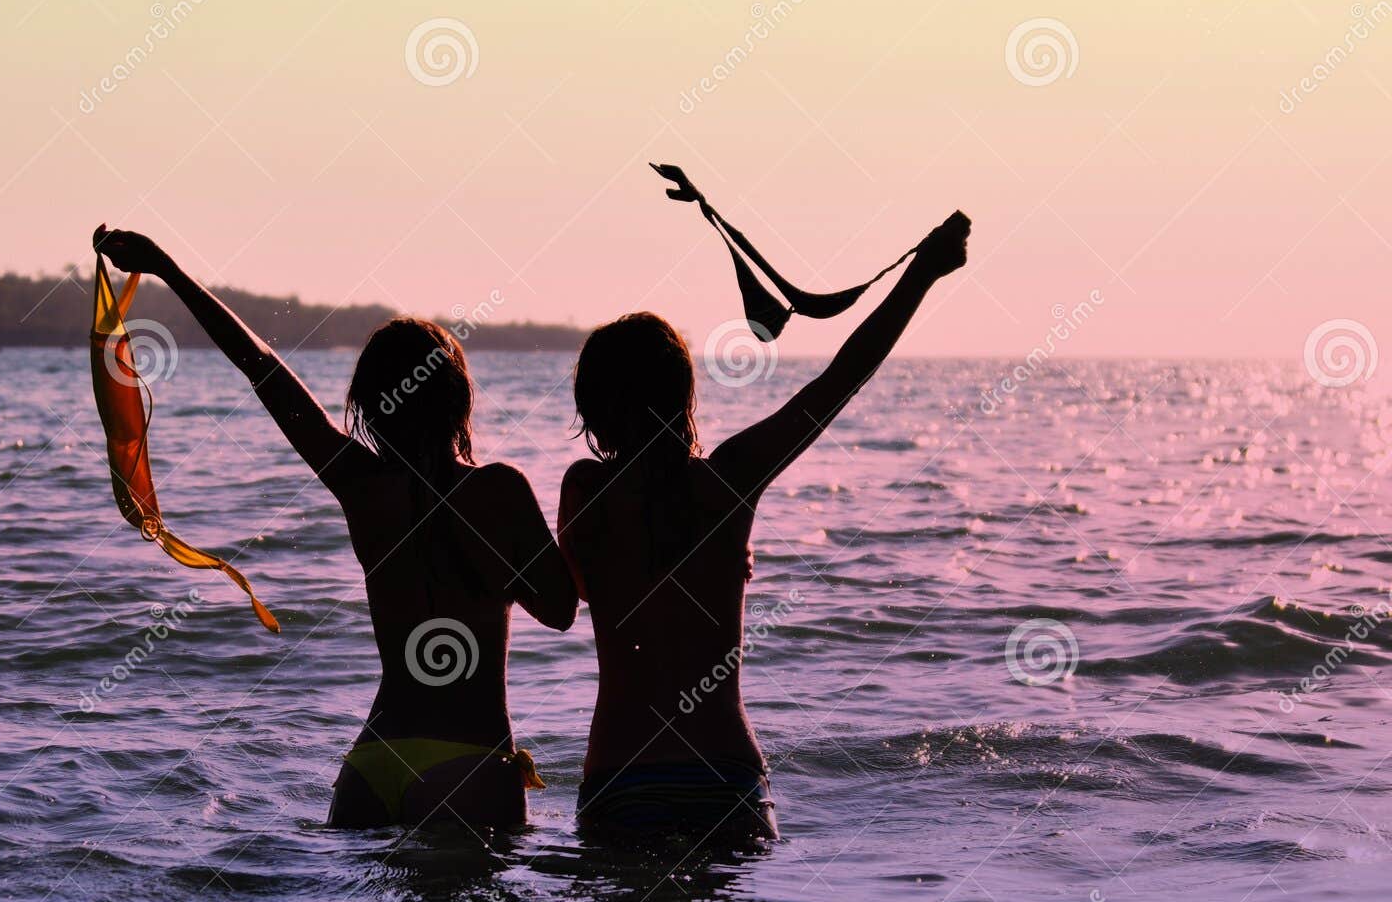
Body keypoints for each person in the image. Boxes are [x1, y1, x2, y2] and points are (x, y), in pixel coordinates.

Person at [93, 226, 577, 830]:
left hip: (372, 766)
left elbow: (260, 368)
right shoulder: (499, 489)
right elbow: (559, 611)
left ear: (370, 407)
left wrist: (165, 267)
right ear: (459, 401)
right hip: (468, 763)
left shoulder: (361, 484)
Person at [558, 212, 971, 839]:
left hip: (623, 777)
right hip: (726, 780)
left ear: (592, 406)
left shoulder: (585, 489)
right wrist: (922, 275)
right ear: (683, 395)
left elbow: (576, 594)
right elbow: (839, 381)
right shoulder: (728, 480)